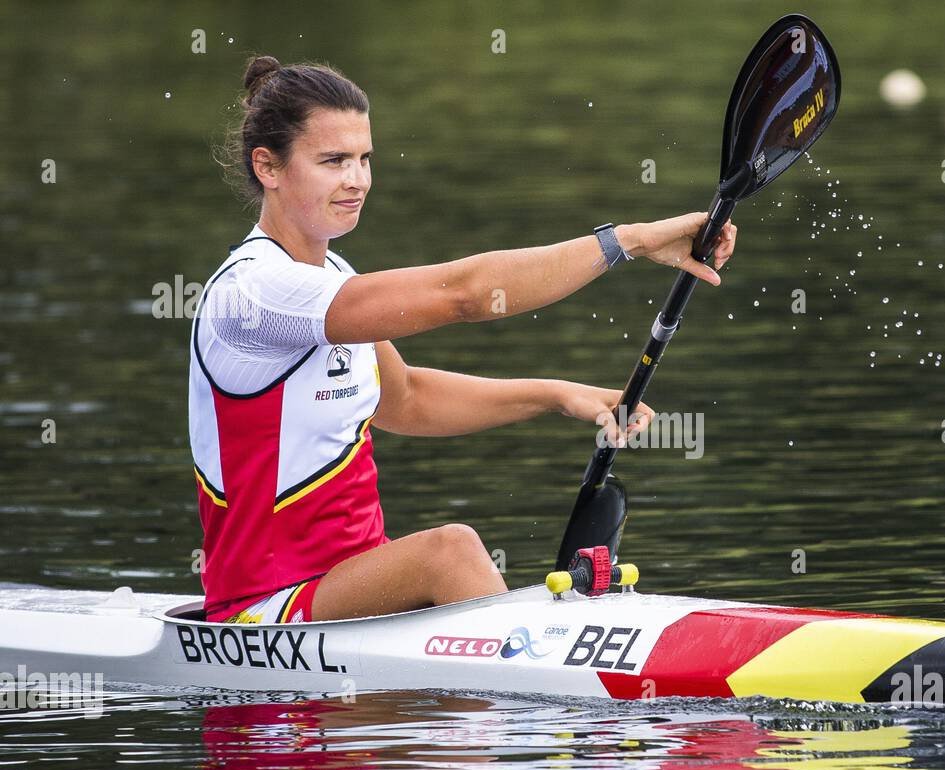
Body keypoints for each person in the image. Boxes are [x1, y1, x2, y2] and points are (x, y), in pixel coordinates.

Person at [191, 56, 738, 624]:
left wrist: (555, 394)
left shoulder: (331, 279)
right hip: (262, 609)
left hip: (348, 596)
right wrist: (631, 240)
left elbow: (406, 400)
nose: (357, 180)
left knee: (448, 561)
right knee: (449, 552)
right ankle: (526, 691)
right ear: (268, 167)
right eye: (333, 161)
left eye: (363, 159)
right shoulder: (254, 291)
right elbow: (466, 295)